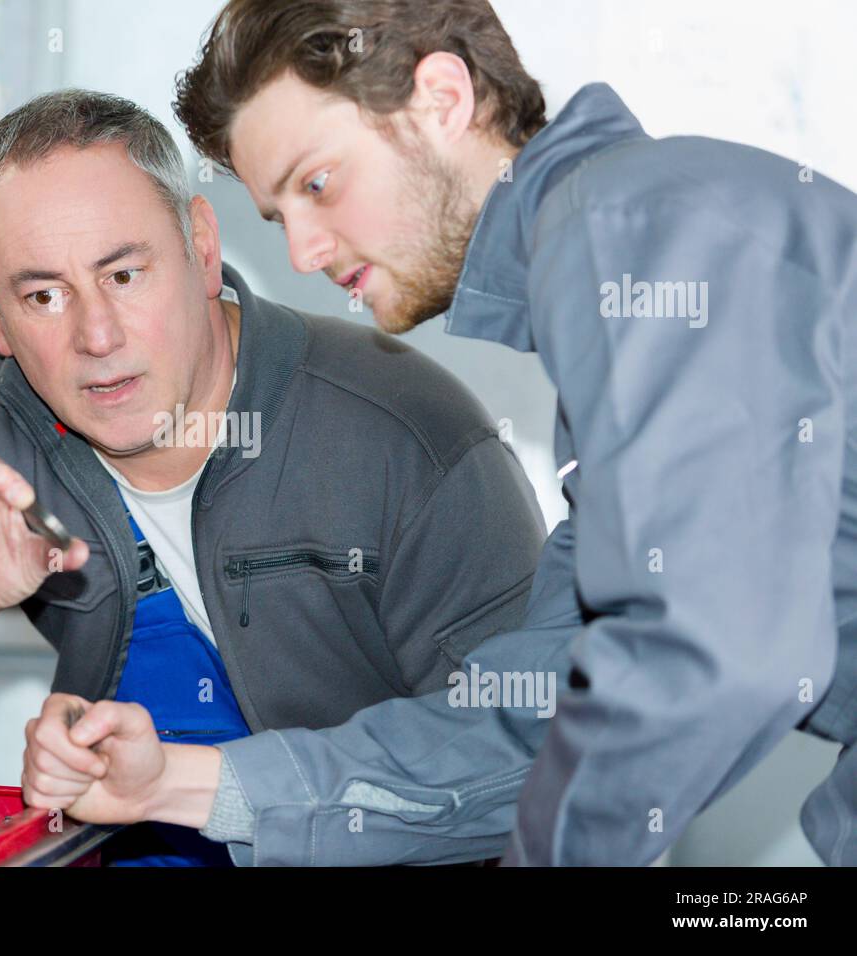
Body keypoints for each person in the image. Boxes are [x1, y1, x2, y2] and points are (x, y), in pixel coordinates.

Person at [42, 0, 856, 867]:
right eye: (281, 218)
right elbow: (536, 722)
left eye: (316, 184)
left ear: (441, 99)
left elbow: (711, 647)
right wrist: (177, 784)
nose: (304, 254)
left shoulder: (631, 230)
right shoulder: (622, 261)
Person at [0, 87, 549, 865]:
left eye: (124, 275)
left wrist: (202, 786)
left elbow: (528, 757)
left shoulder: (405, 431)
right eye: (43, 296)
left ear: (201, 249)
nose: (96, 336)